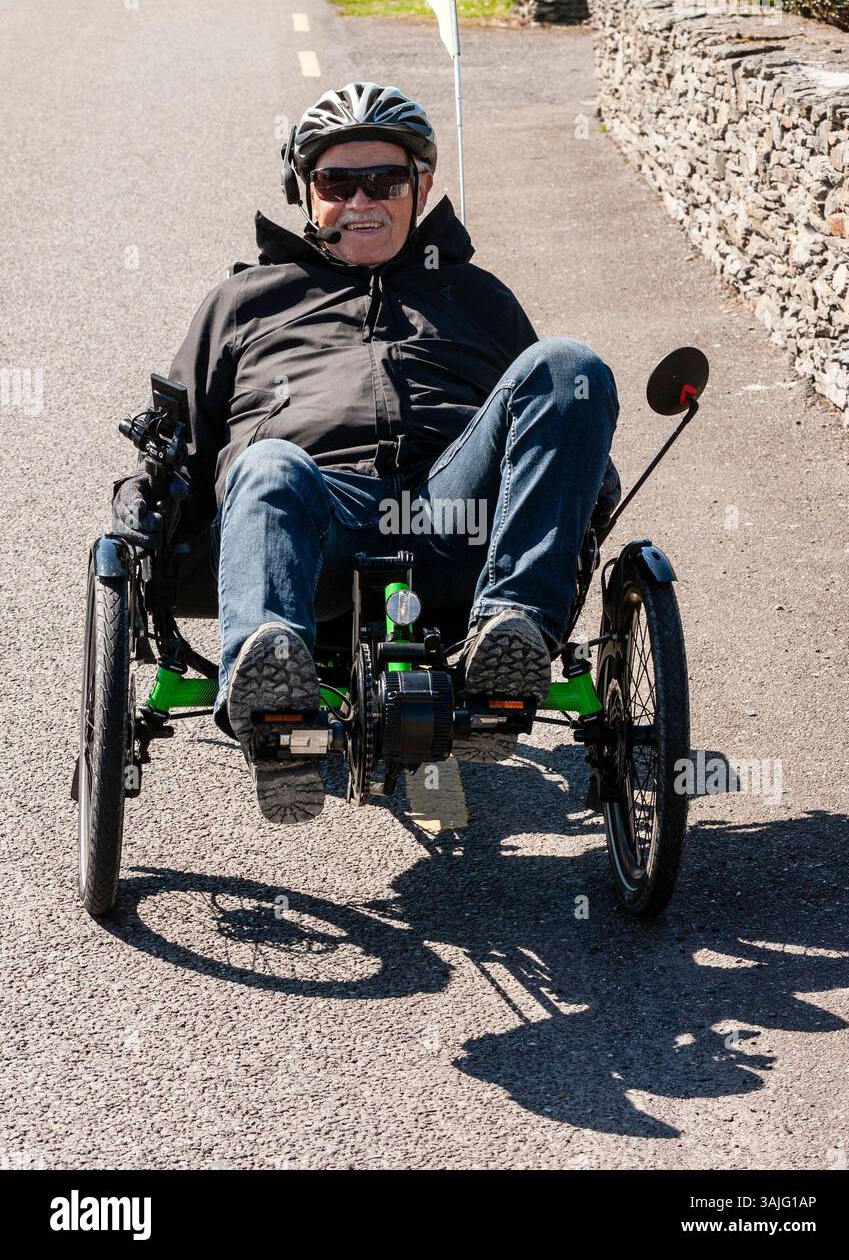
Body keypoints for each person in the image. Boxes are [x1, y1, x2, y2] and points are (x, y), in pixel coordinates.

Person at [112, 81, 621, 825]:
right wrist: (142, 508)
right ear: (304, 191)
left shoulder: (477, 297)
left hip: (457, 519)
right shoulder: (244, 302)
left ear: (422, 186)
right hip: (313, 529)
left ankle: (510, 641)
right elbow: (179, 442)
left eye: (383, 180)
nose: (362, 202)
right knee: (267, 462)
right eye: (336, 183)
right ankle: (276, 707)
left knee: (570, 365)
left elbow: (545, 424)